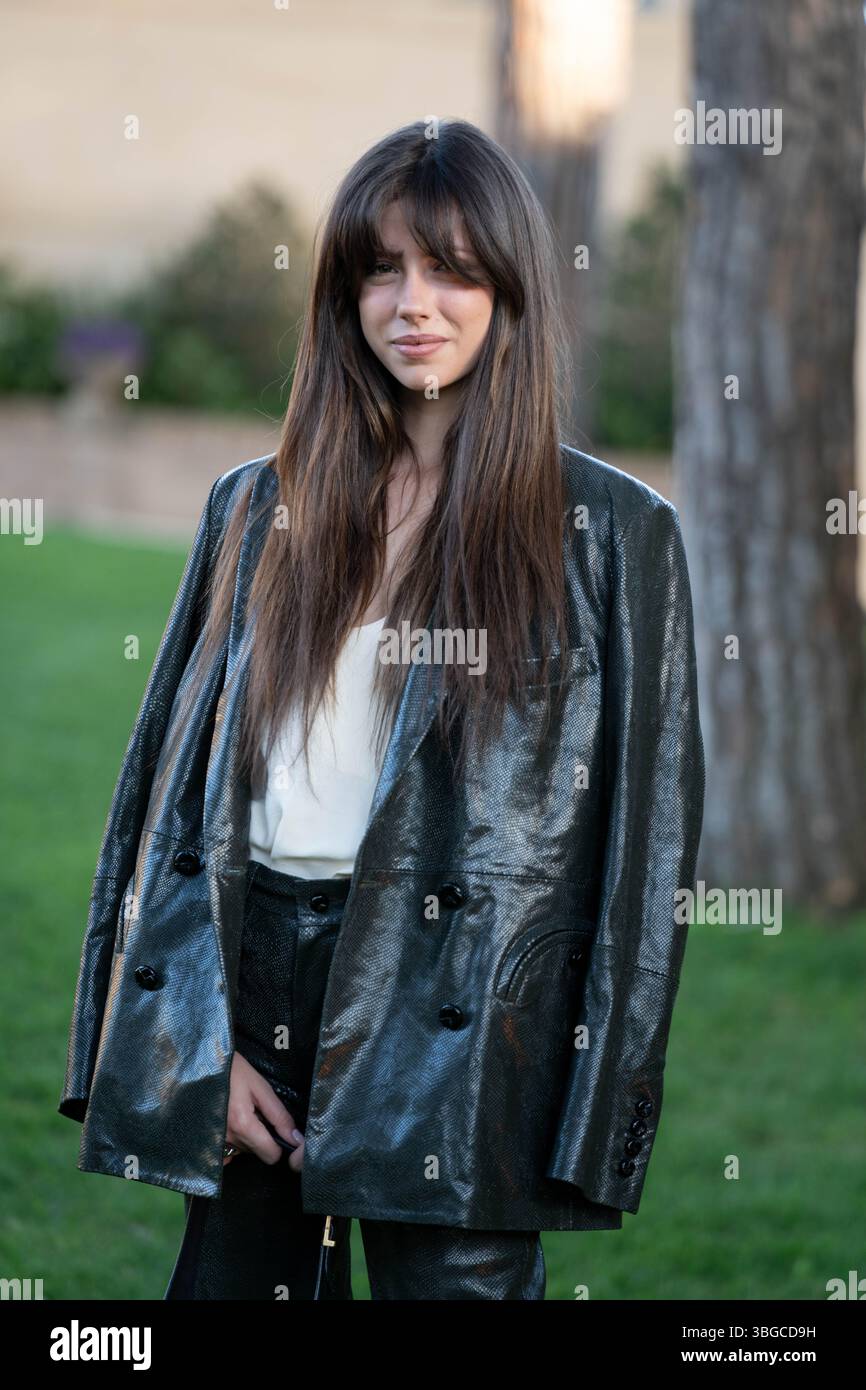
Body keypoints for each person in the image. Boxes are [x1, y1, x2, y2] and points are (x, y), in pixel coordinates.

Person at [58, 118, 705, 1301]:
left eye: (451, 268)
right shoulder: (255, 506)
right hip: (255, 992)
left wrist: (589, 1121)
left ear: (508, 290)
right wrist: (198, 1040)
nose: (413, 301)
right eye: (379, 266)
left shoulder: (613, 534)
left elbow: (644, 859)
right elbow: (170, 797)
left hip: (461, 1015)